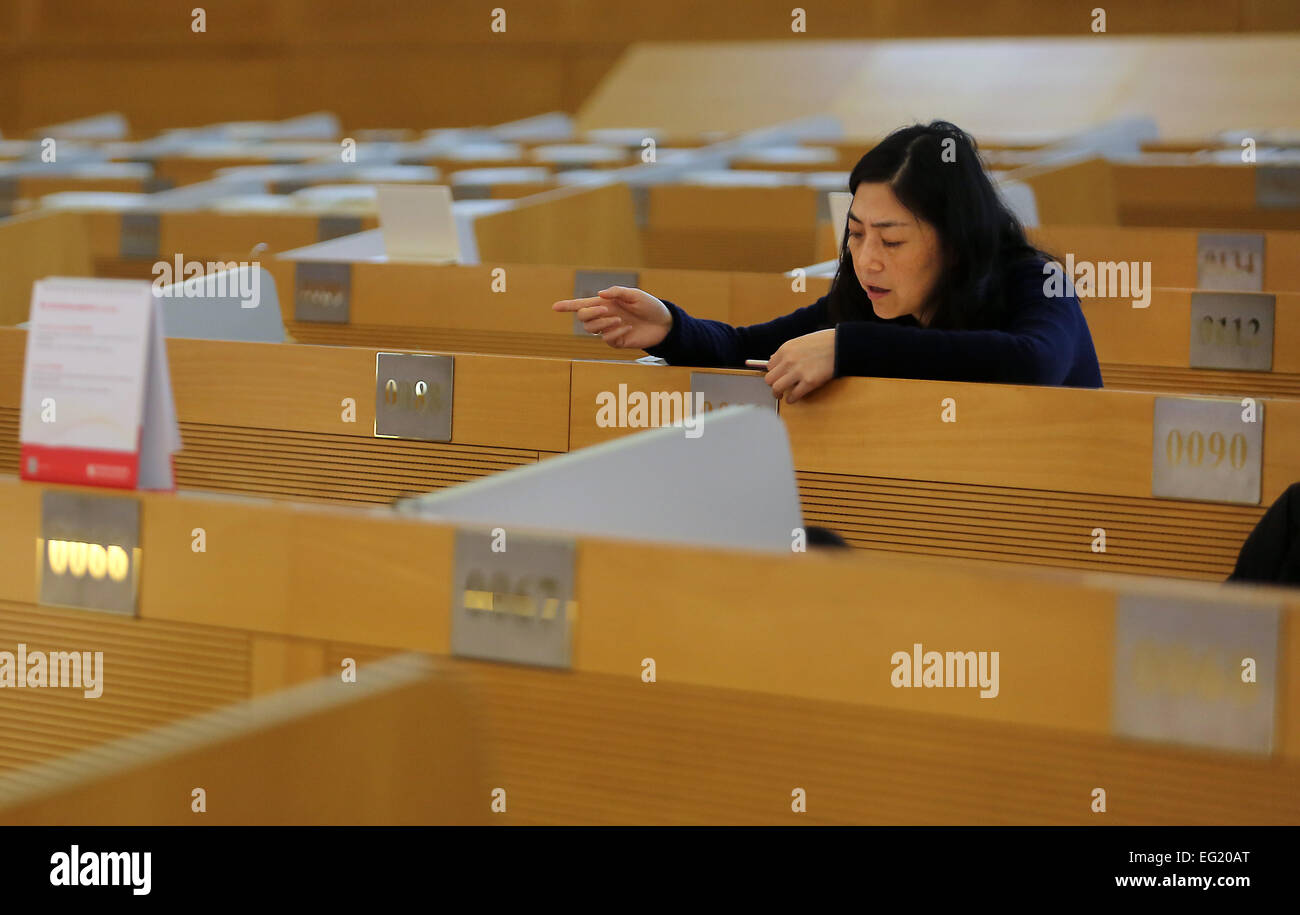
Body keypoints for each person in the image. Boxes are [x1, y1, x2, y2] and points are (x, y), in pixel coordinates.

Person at [553, 120, 1103, 403]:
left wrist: (848, 346)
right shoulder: (867, 298)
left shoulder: (1037, 280)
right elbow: (747, 348)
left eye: (891, 242)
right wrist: (671, 329)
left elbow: (1032, 365)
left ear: (956, 240)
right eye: (856, 234)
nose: (866, 262)